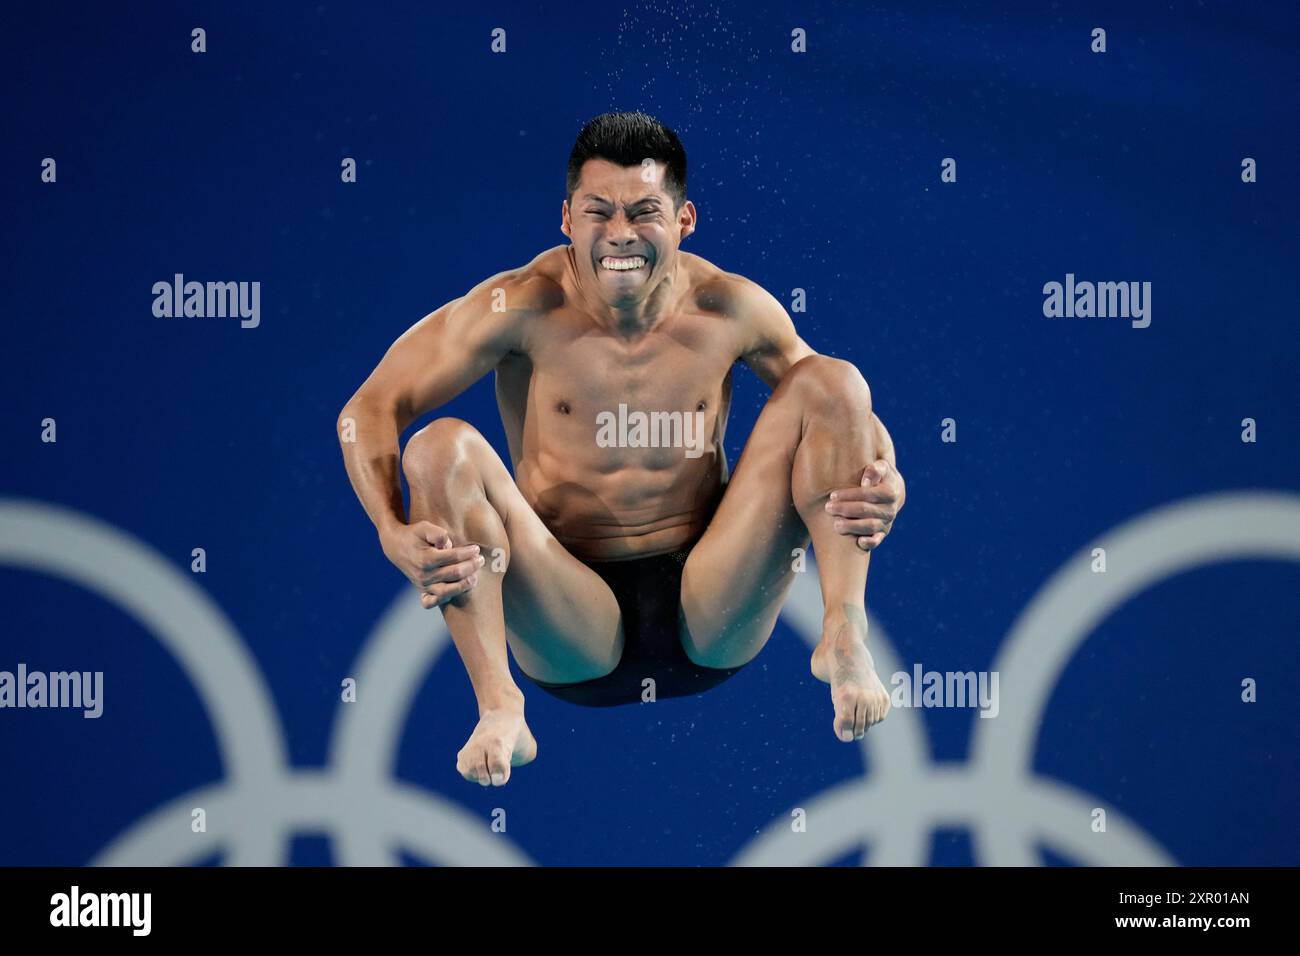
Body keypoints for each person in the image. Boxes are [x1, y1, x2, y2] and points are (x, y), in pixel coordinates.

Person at [338, 112, 906, 787]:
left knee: (834, 379)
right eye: (598, 212)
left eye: (643, 211)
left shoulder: (732, 309)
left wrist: (886, 476)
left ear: (684, 219)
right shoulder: (517, 307)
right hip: (566, 614)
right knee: (437, 450)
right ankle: (498, 706)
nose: (620, 235)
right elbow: (367, 409)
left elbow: (846, 412)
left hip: (713, 599)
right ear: (566, 220)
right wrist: (388, 529)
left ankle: (843, 632)